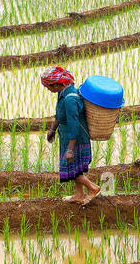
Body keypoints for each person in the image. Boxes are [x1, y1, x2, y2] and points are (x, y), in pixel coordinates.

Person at [41, 65, 100, 205]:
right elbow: (60, 114)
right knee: (76, 168)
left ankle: (93, 188)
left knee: (70, 170)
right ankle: (79, 195)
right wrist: (53, 129)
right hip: (66, 137)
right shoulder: (62, 94)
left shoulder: (70, 99)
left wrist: (70, 150)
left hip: (75, 140)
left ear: (56, 84)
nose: (47, 89)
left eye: (48, 86)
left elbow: (74, 125)